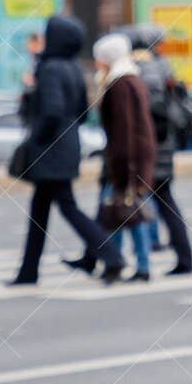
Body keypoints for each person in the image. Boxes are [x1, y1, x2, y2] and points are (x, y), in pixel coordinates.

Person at [10, 14, 122, 287]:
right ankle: (28, 271)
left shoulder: (49, 68)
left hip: (51, 148)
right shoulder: (73, 67)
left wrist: (38, 137)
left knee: (67, 208)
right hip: (67, 143)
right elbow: (82, 112)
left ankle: (112, 256)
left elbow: (51, 110)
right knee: (41, 210)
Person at [68, 33, 158, 284]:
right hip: (133, 157)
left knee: (124, 209)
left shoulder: (119, 84)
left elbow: (125, 129)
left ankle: (129, 263)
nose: (96, 63)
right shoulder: (131, 79)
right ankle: (120, 261)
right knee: (121, 211)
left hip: (125, 159)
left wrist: (125, 167)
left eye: (99, 59)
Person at [125, 24, 192, 276]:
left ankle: (130, 259)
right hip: (162, 143)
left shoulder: (149, 68)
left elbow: (153, 103)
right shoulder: (162, 65)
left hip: (155, 144)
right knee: (164, 201)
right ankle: (183, 257)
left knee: (145, 199)